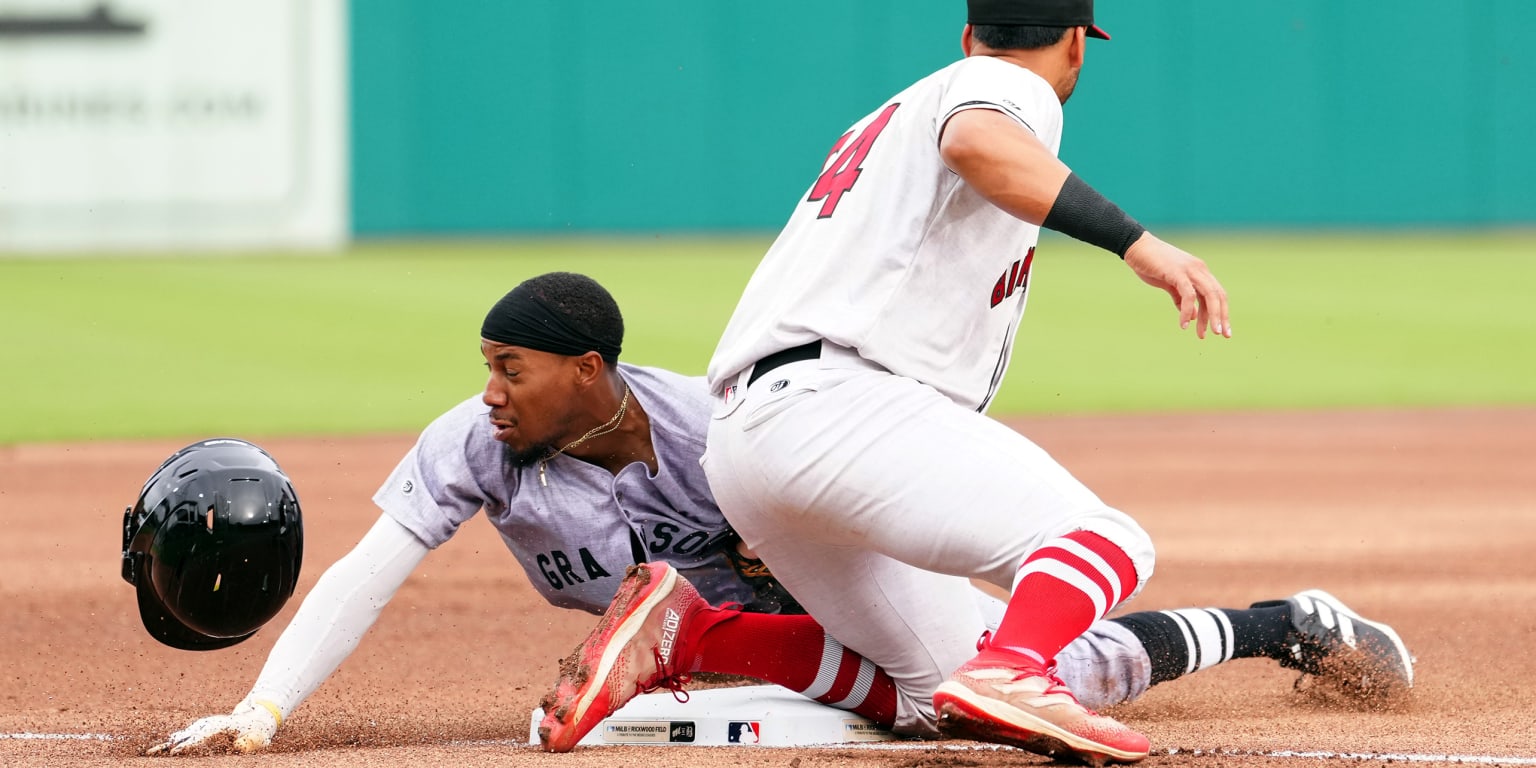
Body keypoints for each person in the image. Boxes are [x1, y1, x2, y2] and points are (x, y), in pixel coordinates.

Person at [149, 273, 1411, 756]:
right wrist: (264, 711)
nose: (488, 393)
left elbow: (869, 486)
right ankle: (689, 643)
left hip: (840, 597)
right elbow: (372, 567)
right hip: (790, 647)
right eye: (482, 368)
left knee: (995, 693)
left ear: (589, 372)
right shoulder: (476, 451)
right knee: (694, 721)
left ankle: (1280, 619)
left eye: (510, 369)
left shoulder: (719, 426)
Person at [548, 0, 1241, 764]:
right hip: (842, 407)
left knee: (934, 694)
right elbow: (979, 139)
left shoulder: (901, 109)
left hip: (753, 438)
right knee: (1103, 539)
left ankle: (696, 632)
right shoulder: (1003, 87)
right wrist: (1134, 243)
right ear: (1077, 44)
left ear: (969, 29)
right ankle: (1017, 668)